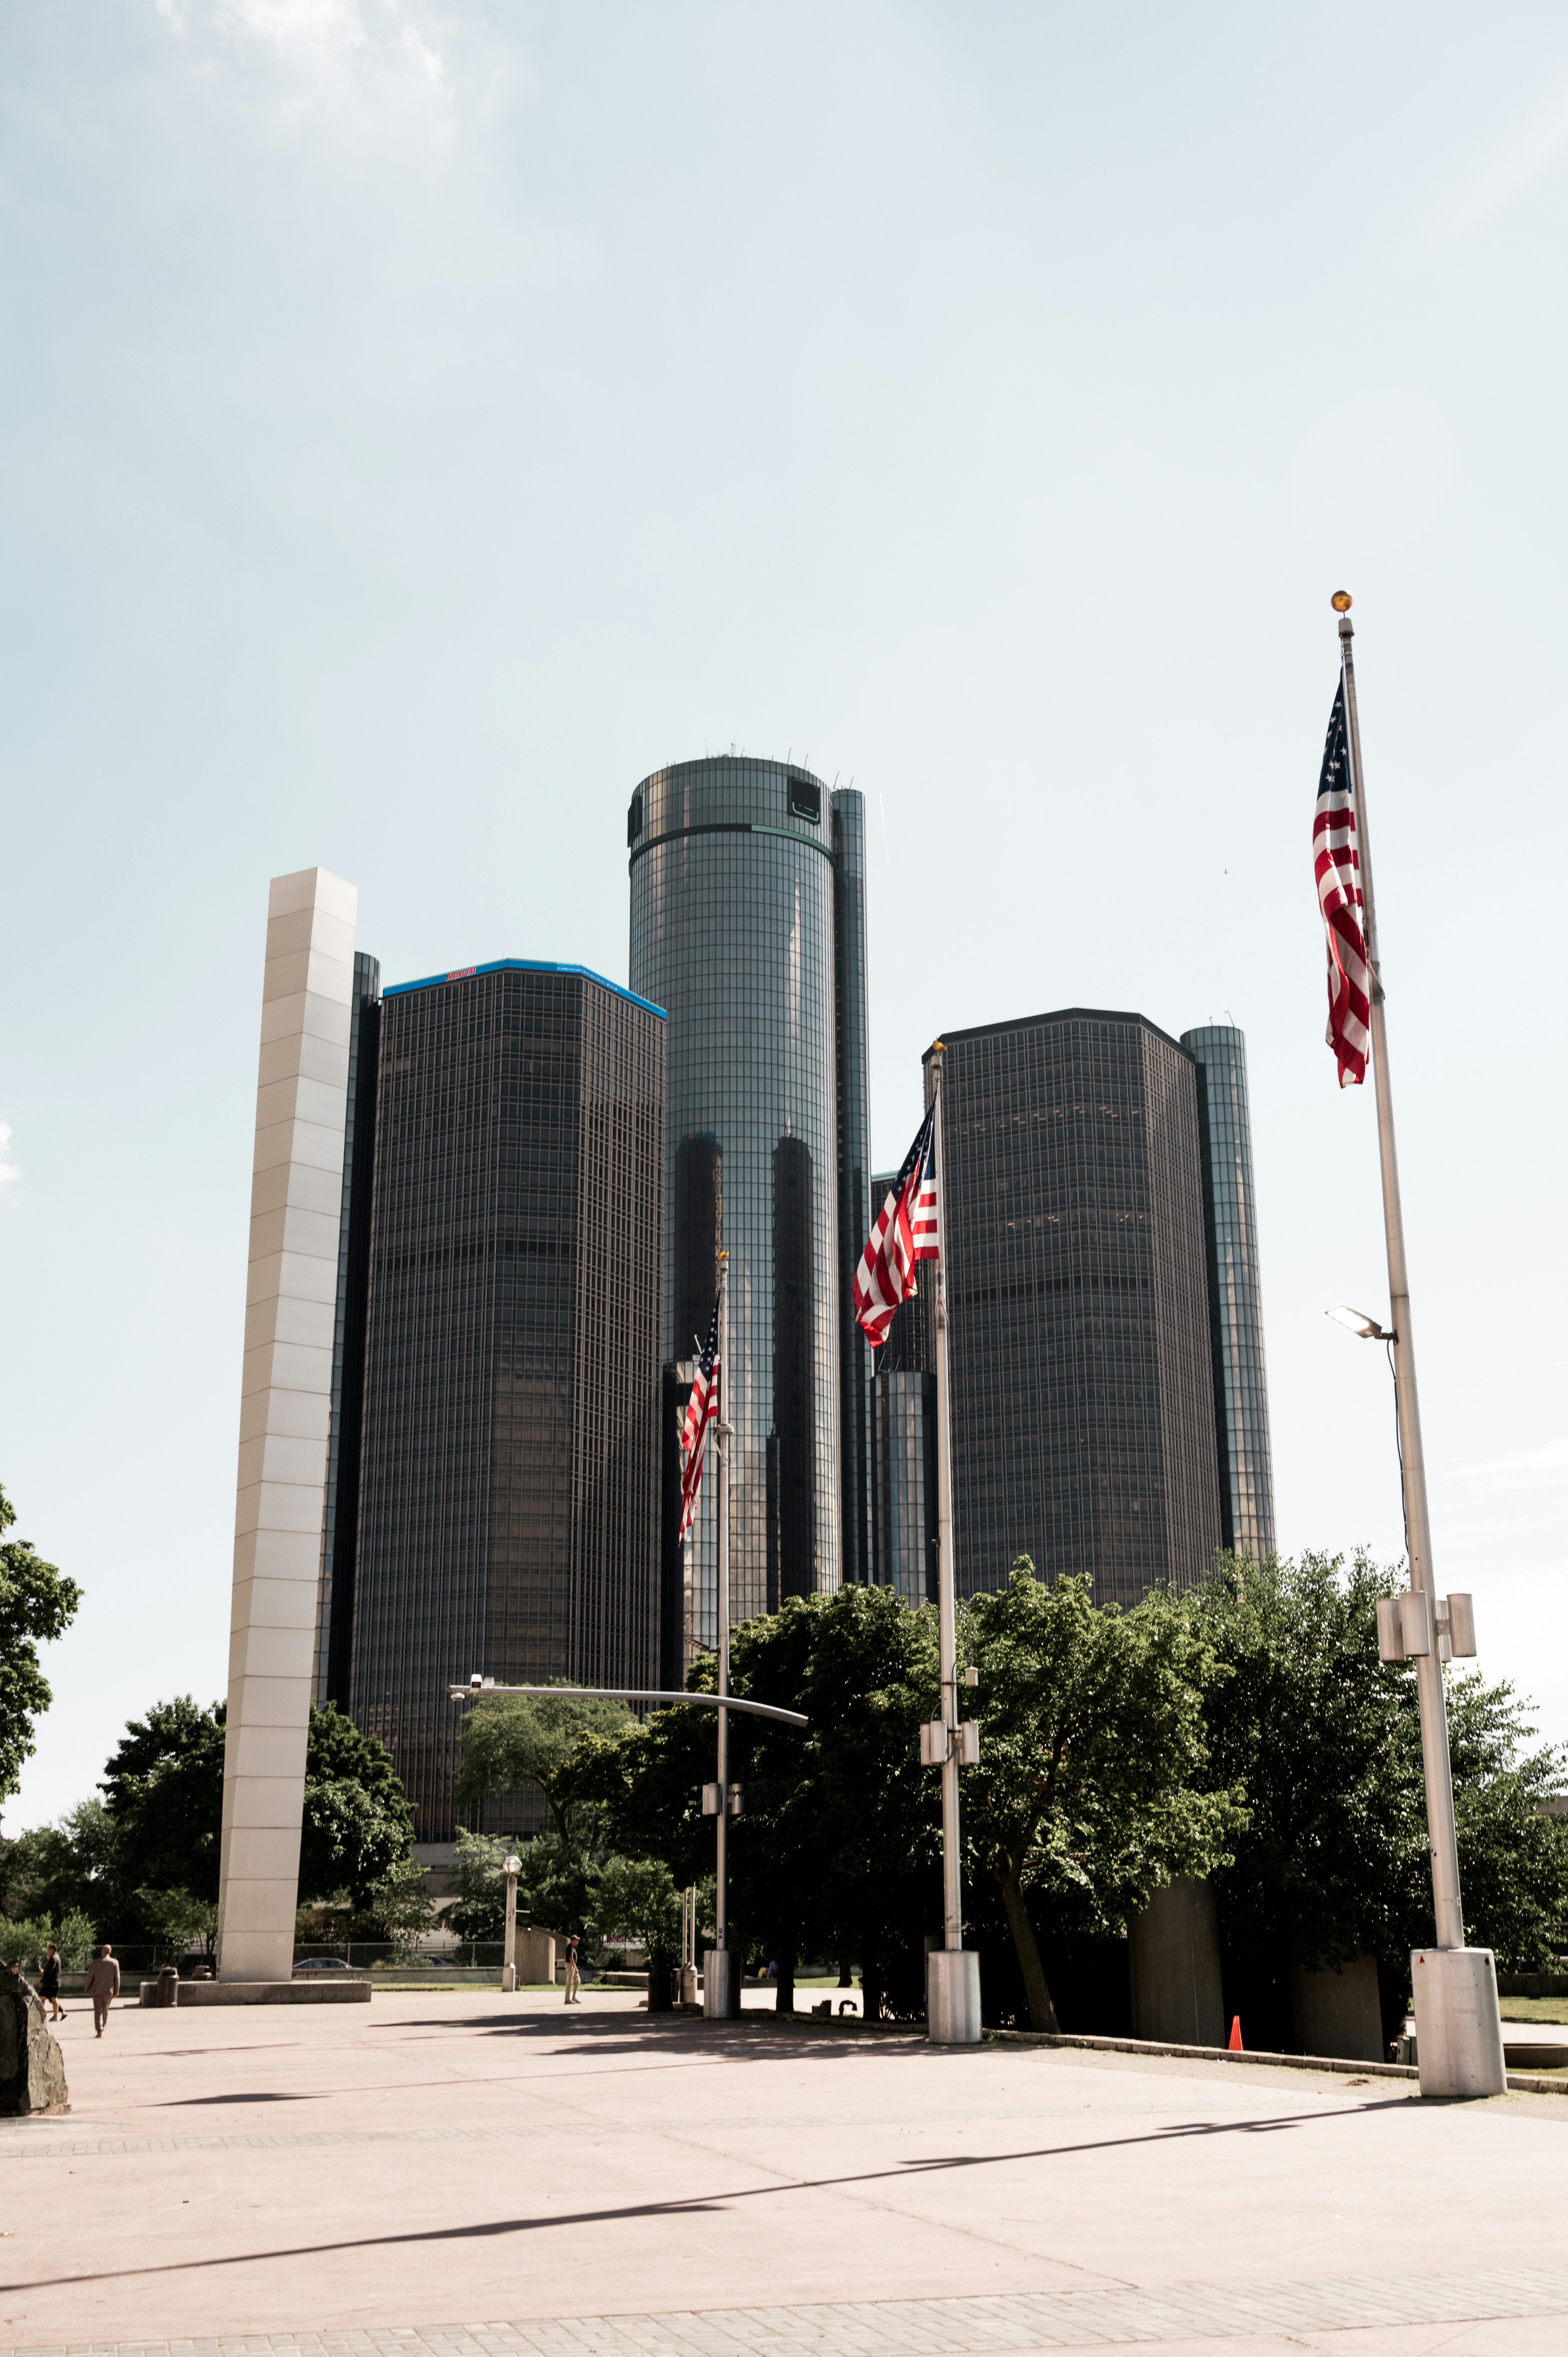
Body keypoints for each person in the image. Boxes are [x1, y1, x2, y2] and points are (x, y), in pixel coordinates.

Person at [84, 1943, 120, 2037]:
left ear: (102, 1952)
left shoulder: (95, 1963)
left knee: (98, 2011)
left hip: (97, 1991)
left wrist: (87, 1989)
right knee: (105, 2010)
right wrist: (116, 1992)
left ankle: (99, 2030)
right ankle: (103, 2027)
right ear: (110, 1953)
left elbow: (90, 1978)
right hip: (109, 1992)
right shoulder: (115, 1963)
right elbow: (117, 1979)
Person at [39, 1942, 65, 2023]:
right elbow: (51, 1970)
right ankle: (55, 2016)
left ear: (52, 1949)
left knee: (43, 1998)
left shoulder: (54, 1958)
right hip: (53, 1983)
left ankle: (43, 2015)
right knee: (53, 1999)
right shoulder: (55, 1957)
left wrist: (42, 1981)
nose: (47, 1951)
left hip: (50, 1983)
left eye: (48, 1949)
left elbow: (49, 1972)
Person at [563, 1933, 581, 2004]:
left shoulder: (573, 1948)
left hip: (571, 1966)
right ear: (573, 1941)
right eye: (577, 1940)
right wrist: (575, 1968)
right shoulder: (570, 1947)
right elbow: (571, 1958)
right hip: (571, 1966)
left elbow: (566, 1957)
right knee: (569, 1983)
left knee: (578, 1980)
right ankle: (567, 2000)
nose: (578, 1941)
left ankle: (574, 1997)